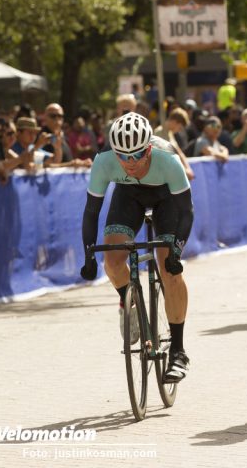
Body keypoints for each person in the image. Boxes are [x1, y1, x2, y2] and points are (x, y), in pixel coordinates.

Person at [79, 112, 194, 383]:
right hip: (128, 197)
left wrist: (175, 252)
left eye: (136, 156)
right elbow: (91, 212)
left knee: (169, 270)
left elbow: (186, 212)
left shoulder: (169, 160)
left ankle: (178, 351)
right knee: (112, 261)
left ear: (149, 148)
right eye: (123, 156)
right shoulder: (104, 161)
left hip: (167, 200)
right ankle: (128, 300)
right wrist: (88, 253)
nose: (129, 163)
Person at [153, 108, 195, 179]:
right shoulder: (159, 132)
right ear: (175, 122)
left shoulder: (170, 133)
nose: (180, 130)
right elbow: (165, 157)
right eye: (180, 127)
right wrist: (184, 170)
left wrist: (188, 168)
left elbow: (179, 152)